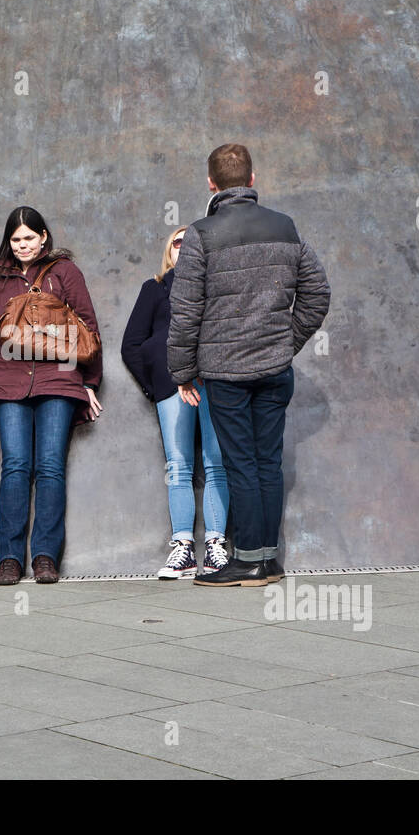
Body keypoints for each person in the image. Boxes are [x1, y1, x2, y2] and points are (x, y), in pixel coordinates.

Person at [168, 143, 330, 588]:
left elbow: (185, 311)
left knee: (241, 463)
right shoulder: (285, 227)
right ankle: (269, 560)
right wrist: (284, 344)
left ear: (211, 184)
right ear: (252, 181)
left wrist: (182, 371)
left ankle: (248, 562)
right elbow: (318, 294)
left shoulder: (201, 234)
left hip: (225, 371)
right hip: (275, 369)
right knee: (268, 463)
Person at [0, 206, 103, 585]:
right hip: (6, 382)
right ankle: (9, 559)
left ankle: (45, 557)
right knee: (15, 467)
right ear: (8, 242)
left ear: (43, 237)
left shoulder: (65, 272)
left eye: (29, 238)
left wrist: (88, 384)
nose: (23, 245)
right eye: (16, 239)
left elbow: (88, 328)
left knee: (50, 467)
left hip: (57, 381)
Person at [122, 227, 229, 578]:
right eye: (177, 242)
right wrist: (157, 386)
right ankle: (182, 548)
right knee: (178, 465)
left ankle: (215, 547)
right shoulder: (154, 289)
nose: (183, 247)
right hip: (171, 387)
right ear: (169, 250)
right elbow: (132, 345)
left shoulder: (216, 287)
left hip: (213, 384)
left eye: (191, 241)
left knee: (216, 463)